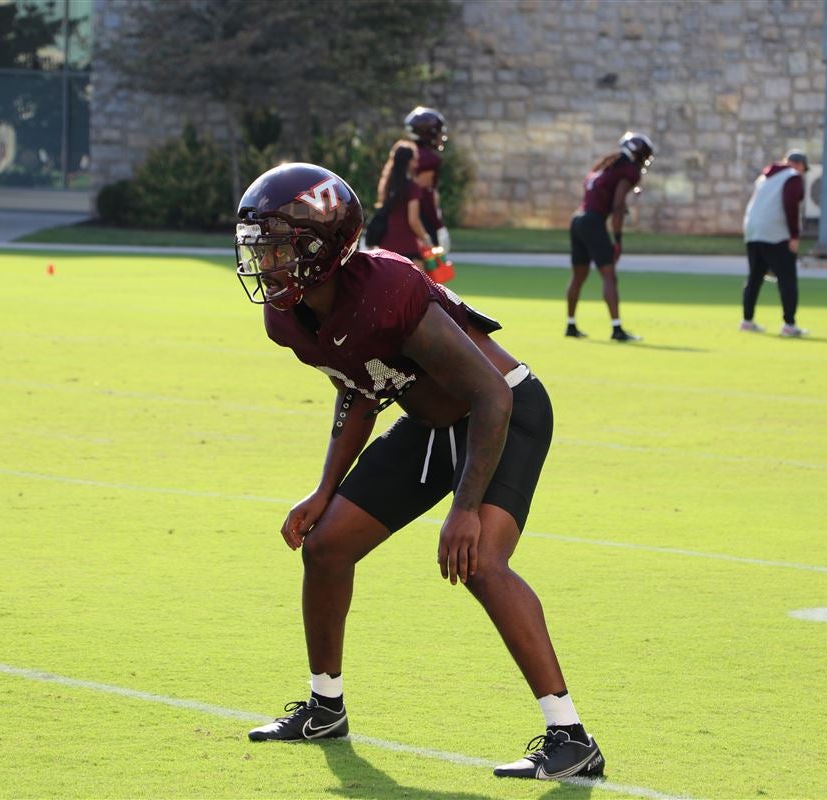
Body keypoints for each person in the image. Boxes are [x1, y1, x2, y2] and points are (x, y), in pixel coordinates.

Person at [235, 162, 605, 781]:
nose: (264, 263)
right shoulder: (288, 316)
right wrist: (324, 489)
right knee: (325, 547)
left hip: (503, 410)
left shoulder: (386, 289)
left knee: (481, 562)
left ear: (321, 249)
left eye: (277, 248)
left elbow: (490, 395)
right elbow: (360, 386)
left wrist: (464, 510)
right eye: (259, 247)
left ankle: (572, 738)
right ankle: (325, 707)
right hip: (433, 420)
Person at [565, 131, 654, 341]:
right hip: (593, 222)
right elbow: (617, 205)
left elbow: (600, 193)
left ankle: (571, 325)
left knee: (578, 275)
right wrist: (618, 239)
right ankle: (617, 329)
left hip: (577, 220)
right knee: (609, 275)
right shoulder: (628, 171)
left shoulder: (604, 167)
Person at [740, 151, 810, 337]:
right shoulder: (792, 176)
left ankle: (747, 320)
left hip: (753, 230)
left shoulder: (764, 177)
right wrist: (794, 235)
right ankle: (789, 324)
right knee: (787, 279)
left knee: (754, 277)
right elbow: (790, 204)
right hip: (776, 232)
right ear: (799, 165)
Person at [372, 143, 433, 267]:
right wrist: (426, 238)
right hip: (408, 247)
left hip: (386, 248)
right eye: (414, 160)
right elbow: (413, 220)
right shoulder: (412, 188)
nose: (417, 164)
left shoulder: (388, 186)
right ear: (408, 162)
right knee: (418, 280)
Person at [404, 106, 450, 254]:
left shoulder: (404, 153)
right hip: (421, 221)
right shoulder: (428, 159)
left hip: (401, 220)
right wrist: (438, 226)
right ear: (430, 133)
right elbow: (425, 196)